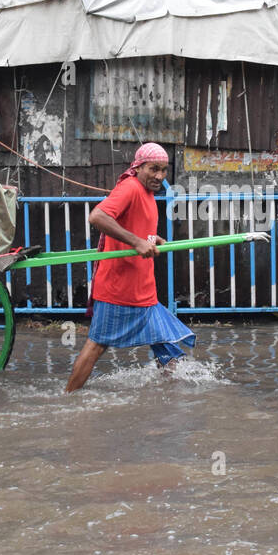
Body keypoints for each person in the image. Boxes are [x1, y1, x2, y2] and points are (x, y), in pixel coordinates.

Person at [65, 142, 195, 393]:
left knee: (164, 341)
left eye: (164, 170)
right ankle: (67, 398)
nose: (159, 176)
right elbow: (98, 216)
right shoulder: (131, 187)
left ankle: (174, 399)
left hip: (143, 289)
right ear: (138, 167)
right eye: (153, 169)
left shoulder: (145, 192)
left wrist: (149, 238)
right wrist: (136, 241)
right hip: (119, 288)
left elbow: (135, 226)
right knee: (97, 345)